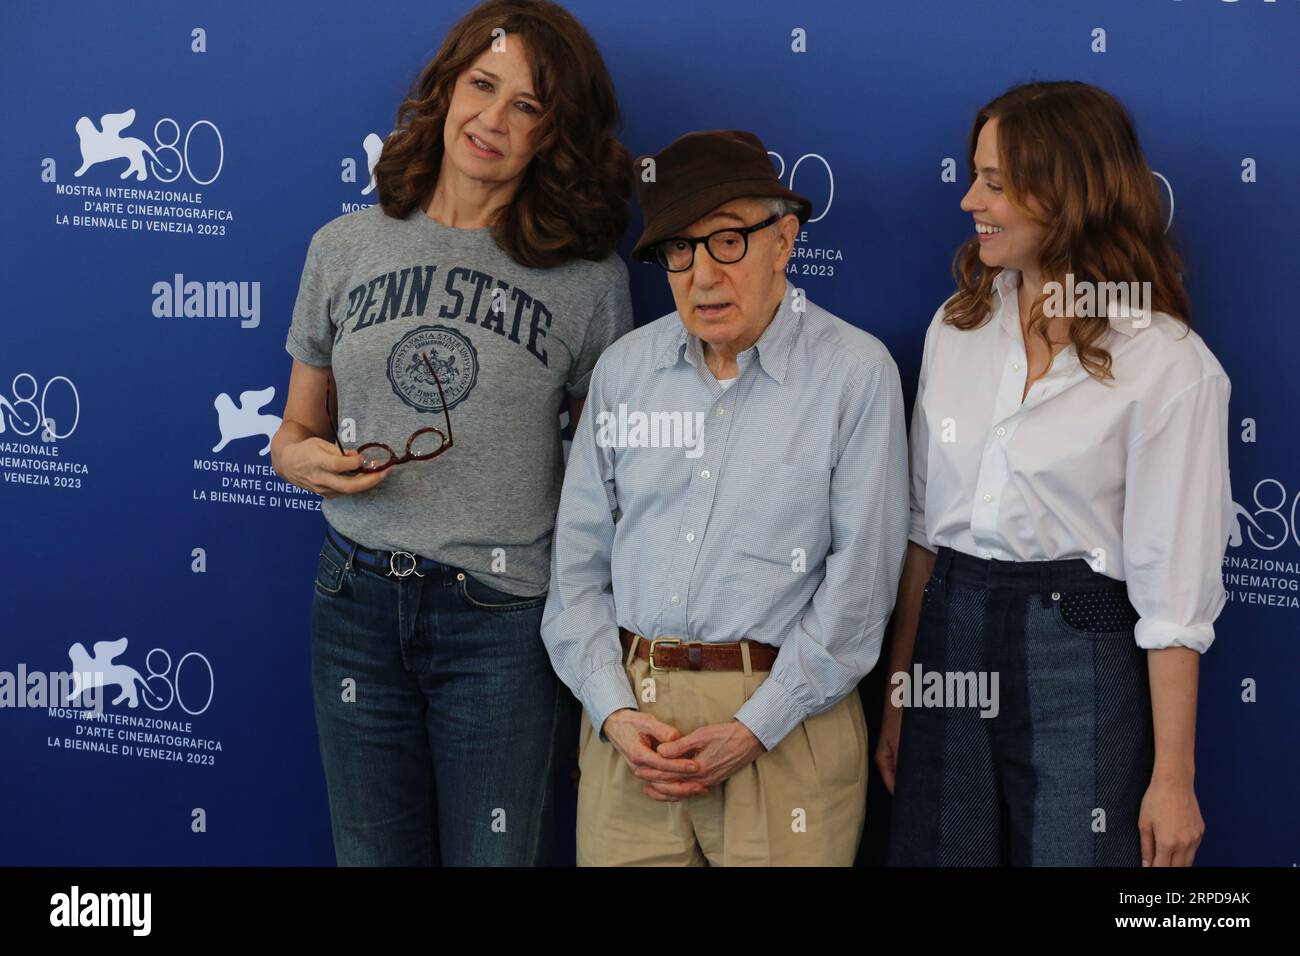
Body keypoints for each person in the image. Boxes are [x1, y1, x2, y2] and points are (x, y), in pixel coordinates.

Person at [270, 0, 634, 866]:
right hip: (353, 600)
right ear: (445, 89)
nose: (493, 119)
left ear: (553, 135)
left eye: (528, 106)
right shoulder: (343, 247)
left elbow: (605, 479)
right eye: (483, 85)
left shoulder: (589, 282)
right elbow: (293, 428)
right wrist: (299, 459)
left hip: (501, 619)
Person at [879, 81, 1231, 867]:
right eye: (976, 175)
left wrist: (1173, 777)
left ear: (1068, 191)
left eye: (996, 182)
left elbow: (1174, 597)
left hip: (1083, 648)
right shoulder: (956, 326)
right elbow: (920, 533)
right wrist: (901, 692)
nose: (970, 198)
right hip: (950, 633)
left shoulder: (1168, 365)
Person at [541, 129, 910, 866]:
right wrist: (614, 713)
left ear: (784, 241)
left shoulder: (854, 374)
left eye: (728, 242)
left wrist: (754, 726)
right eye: (679, 250)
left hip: (786, 728)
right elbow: (576, 572)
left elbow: (860, 593)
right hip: (630, 732)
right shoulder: (622, 373)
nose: (702, 276)